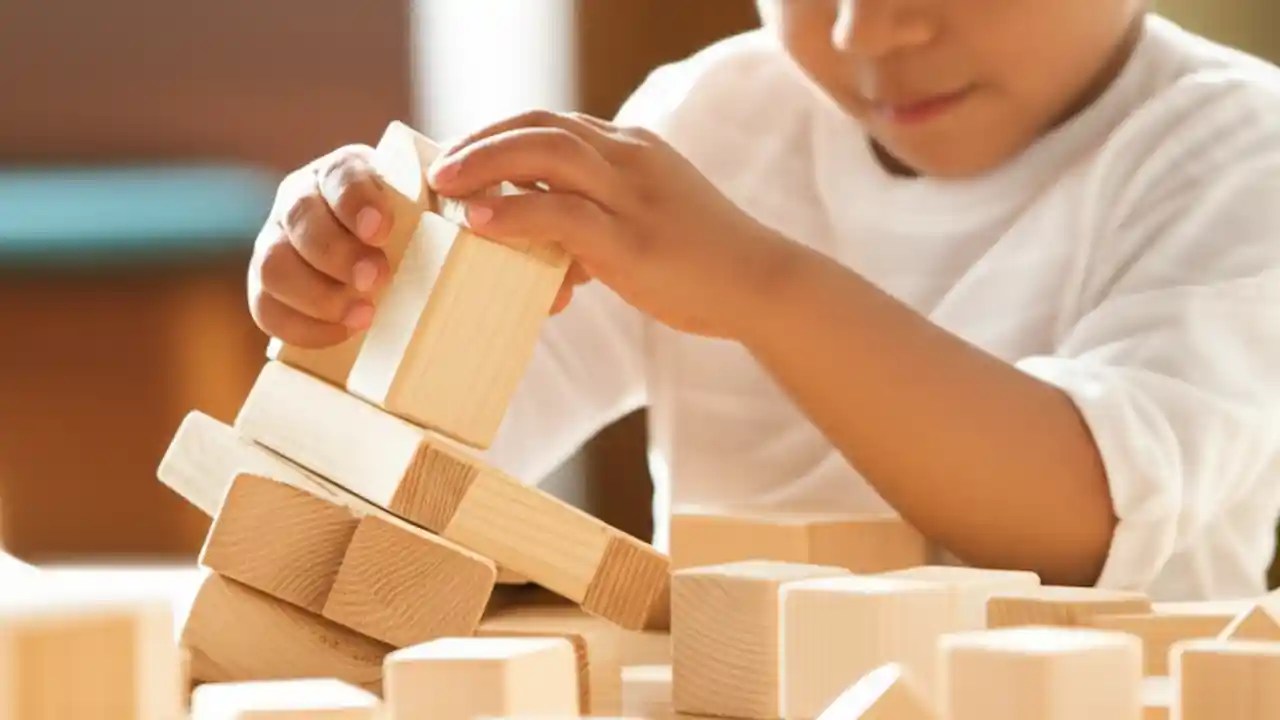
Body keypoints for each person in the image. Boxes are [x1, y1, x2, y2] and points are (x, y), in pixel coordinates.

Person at [244, 1, 1280, 601]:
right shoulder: (719, 113)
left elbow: (1082, 516)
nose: (868, 28)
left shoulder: (1235, 148)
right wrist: (362, 297)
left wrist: (757, 284)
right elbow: (444, 448)